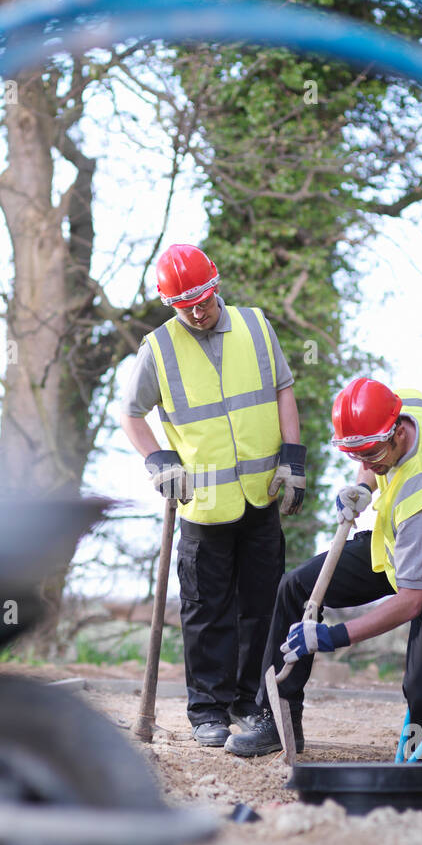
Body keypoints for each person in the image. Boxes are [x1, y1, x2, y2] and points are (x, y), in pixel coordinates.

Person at [226, 378, 422, 758]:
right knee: (296, 587)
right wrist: (363, 486)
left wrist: (332, 637)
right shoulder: (405, 404)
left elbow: (410, 602)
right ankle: (276, 722)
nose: (365, 465)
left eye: (371, 455)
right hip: (393, 552)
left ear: (397, 434)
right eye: (355, 455)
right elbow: (370, 458)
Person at [120, 243, 305, 747]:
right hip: (202, 505)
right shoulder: (157, 348)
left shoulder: (256, 327)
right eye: (186, 306)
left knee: (262, 605)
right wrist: (158, 462)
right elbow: (131, 414)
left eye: (203, 300)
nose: (198, 312)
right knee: (206, 610)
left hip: (261, 494)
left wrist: (292, 457)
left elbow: (282, 389)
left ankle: (251, 702)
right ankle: (207, 710)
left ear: (215, 285)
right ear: (171, 304)